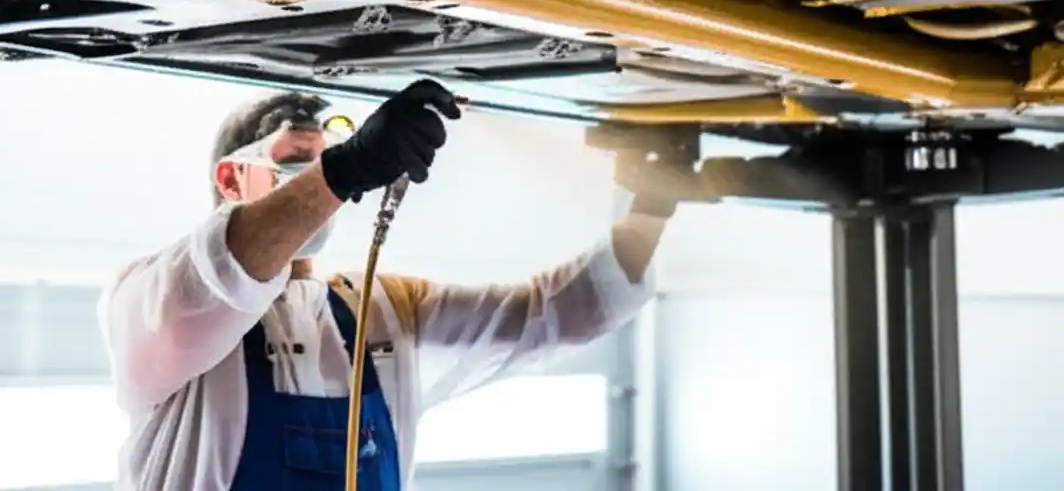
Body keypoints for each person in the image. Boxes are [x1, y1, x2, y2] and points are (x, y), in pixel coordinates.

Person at [99, 79, 680, 491]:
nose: (327, 189)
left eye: (329, 159)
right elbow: (221, 274)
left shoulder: (380, 306)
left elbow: (552, 314)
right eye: (301, 162)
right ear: (231, 177)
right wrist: (347, 168)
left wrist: (649, 205)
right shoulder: (147, 301)